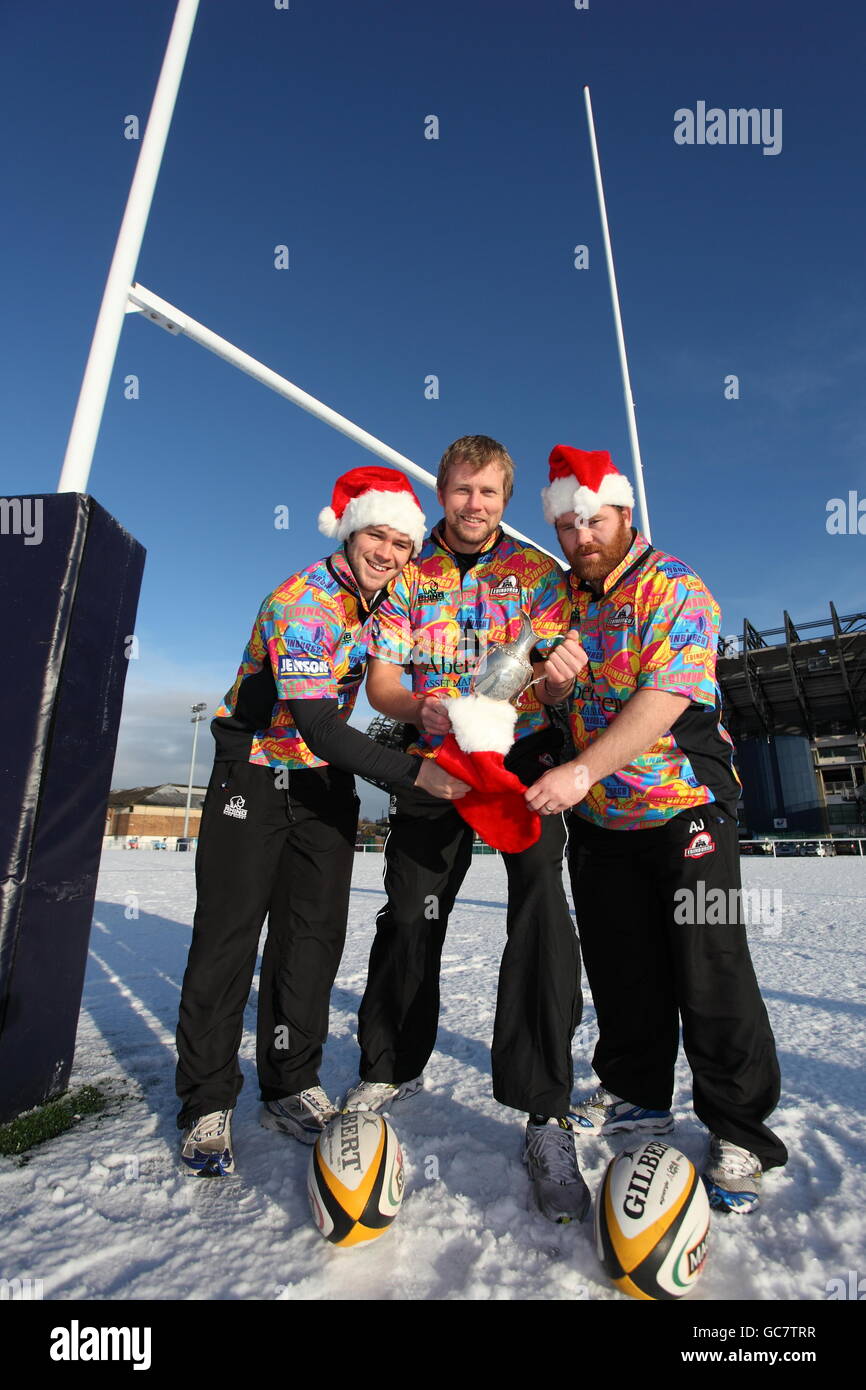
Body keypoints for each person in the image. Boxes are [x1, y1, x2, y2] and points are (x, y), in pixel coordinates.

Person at [176, 467, 467, 1176]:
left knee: (311, 936)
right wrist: (416, 772)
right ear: (349, 530)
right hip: (255, 770)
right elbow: (315, 723)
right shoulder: (303, 602)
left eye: (402, 541)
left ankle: (290, 1080)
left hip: (321, 782)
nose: (391, 551)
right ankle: (207, 1101)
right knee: (230, 934)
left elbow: (447, 607)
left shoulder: (389, 595)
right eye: (378, 535)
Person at [525, 444, 788, 1213]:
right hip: (605, 821)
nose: (580, 536)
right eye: (567, 525)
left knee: (710, 965)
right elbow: (524, 693)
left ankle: (739, 1128)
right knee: (620, 964)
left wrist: (579, 771)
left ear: (624, 514)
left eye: (593, 519)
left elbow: (666, 698)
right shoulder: (559, 603)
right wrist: (548, 684)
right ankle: (637, 1093)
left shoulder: (675, 586)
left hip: (684, 809)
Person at [344, 435, 590, 1223]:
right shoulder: (407, 574)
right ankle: (389, 1064)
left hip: (521, 766)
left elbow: (551, 688)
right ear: (441, 490)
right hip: (434, 765)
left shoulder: (539, 577)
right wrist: (415, 707)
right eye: (460, 490)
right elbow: (381, 682)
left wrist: (552, 688)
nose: (474, 505)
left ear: (505, 499)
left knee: (541, 913)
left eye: (488, 492)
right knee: (413, 909)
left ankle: (545, 1106)